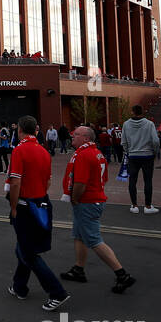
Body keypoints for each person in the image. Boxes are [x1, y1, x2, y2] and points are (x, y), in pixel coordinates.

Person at [57, 126, 136, 302]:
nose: (72, 136)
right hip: (93, 199)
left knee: (93, 240)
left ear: (86, 138)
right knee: (79, 235)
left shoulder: (84, 155)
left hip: (87, 201)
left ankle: (122, 274)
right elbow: (103, 178)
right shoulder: (96, 153)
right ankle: (79, 268)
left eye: (76, 134)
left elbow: (80, 182)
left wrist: (75, 198)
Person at [4, 116, 69, 305]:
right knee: (23, 248)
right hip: (41, 202)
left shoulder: (19, 150)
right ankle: (19, 286)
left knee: (28, 253)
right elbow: (48, 181)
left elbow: (15, 182)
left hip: (25, 204)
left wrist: (14, 207)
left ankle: (57, 292)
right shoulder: (43, 151)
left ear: (20, 130)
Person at [121, 105, 159, 214]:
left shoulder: (126, 124)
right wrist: (154, 152)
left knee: (132, 180)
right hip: (147, 155)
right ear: (142, 112)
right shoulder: (149, 124)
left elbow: (123, 141)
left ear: (132, 112)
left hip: (133, 155)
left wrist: (128, 151)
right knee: (148, 180)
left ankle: (134, 205)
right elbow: (155, 141)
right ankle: (148, 205)